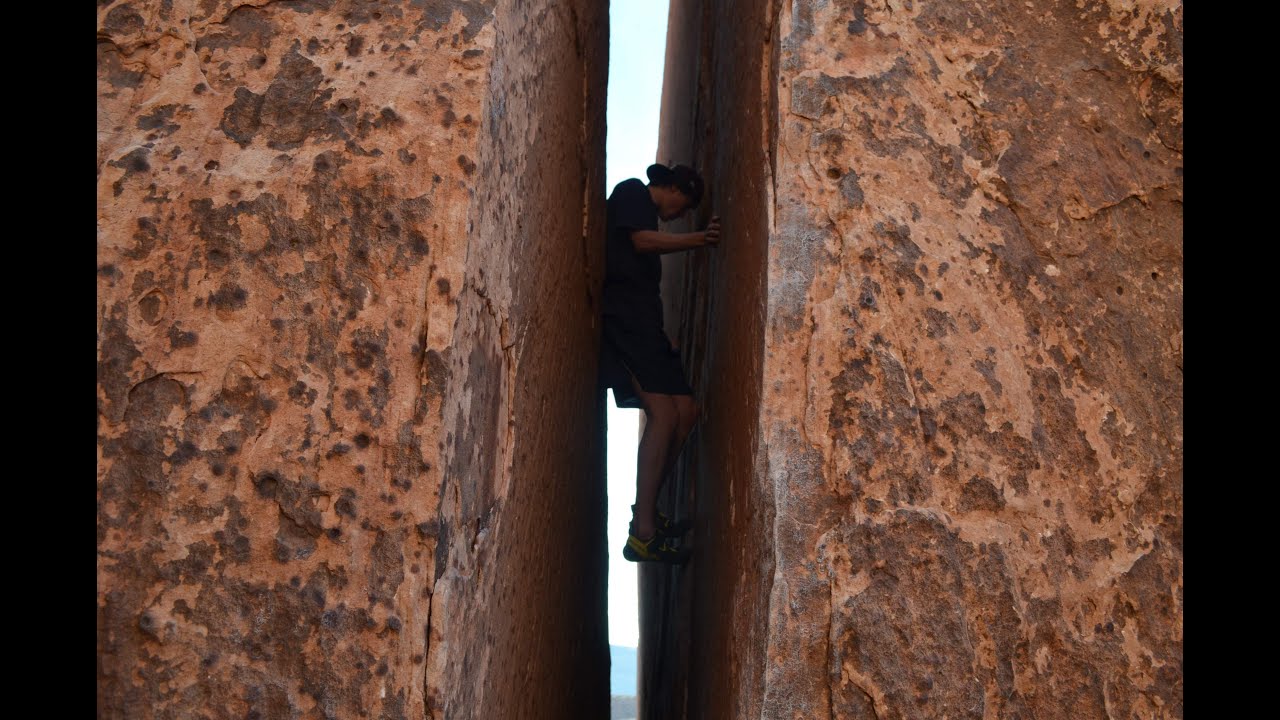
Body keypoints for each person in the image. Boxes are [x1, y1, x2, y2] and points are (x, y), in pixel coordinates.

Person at [600, 163, 720, 563]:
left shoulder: (650, 217)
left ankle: (646, 511)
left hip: (647, 329)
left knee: (686, 411)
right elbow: (640, 242)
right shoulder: (633, 191)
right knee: (665, 415)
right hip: (625, 324)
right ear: (672, 188)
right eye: (684, 205)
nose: (680, 214)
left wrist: (662, 331)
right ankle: (643, 533)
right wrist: (700, 239)